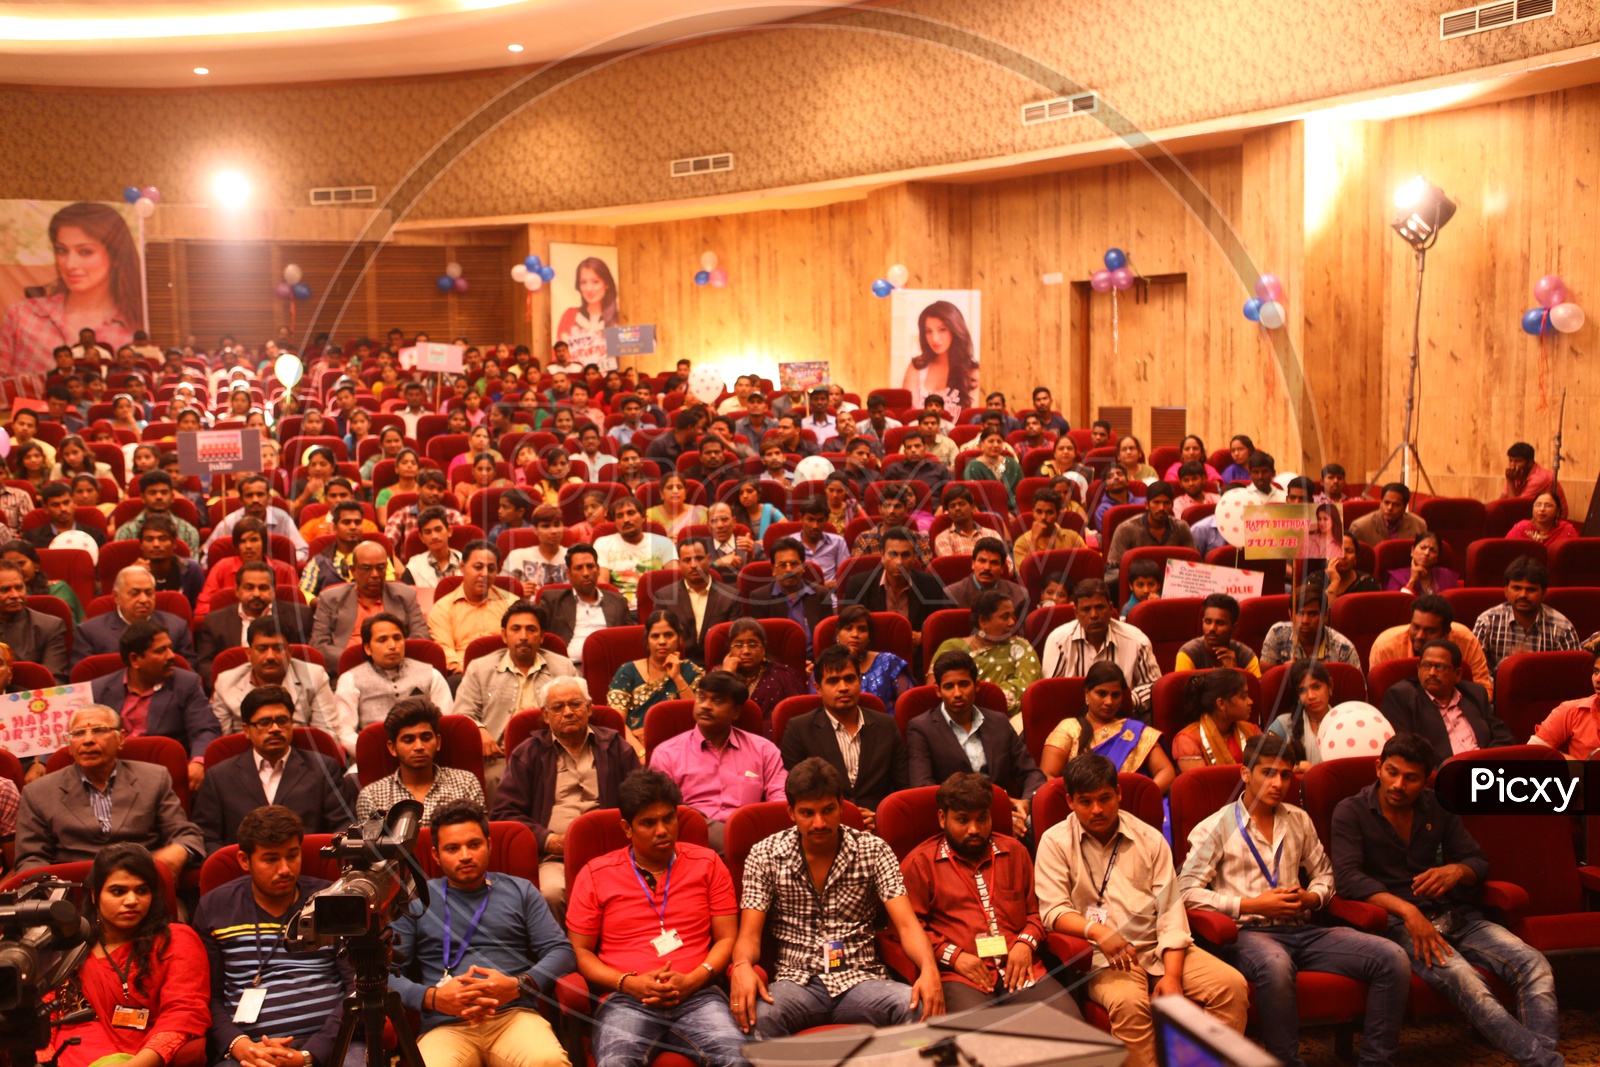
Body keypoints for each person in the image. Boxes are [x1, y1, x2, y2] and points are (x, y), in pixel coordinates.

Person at [1179, 733, 1412, 1067]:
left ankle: (1377, 1062)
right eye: (1268, 773)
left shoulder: (1298, 819)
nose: (1278, 783)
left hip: (1302, 929)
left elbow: (1326, 875)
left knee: (1391, 957)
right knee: (1275, 964)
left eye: (1286, 775)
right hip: (1247, 934)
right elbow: (1185, 892)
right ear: (1245, 774)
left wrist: (1311, 897)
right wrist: (1251, 905)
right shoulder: (1215, 828)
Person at [1331, 733, 1562, 1067]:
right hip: (1397, 925)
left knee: (1534, 964)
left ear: (1426, 781)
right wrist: (1408, 911)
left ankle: (1540, 1060)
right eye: (1392, 772)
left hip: (1453, 915)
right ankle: (1546, 1062)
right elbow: (1349, 879)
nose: (1398, 784)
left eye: (1410, 778)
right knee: (1469, 982)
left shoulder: (1438, 806)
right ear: (1378, 767)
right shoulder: (1350, 811)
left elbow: (1478, 862)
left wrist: (1457, 871)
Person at [1035, 753, 1248, 1067]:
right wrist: (1098, 931)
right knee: (1129, 1004)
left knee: (1231, 986)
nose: (1097, 810)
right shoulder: (1055, 842)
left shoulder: (1150, 839)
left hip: (1157, 946)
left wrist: (1173, 974)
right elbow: (1053, 910)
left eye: (1105, 799)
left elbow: (1171, 914)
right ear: (1070, 801)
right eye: (1085, 802)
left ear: (1119, 794)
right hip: (1101, 955)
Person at [731, 757, 944, 1037]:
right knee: (759, 1018)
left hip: (862, 977)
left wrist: (929, 970)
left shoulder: (873, 849)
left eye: (828, 810)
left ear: (842, 806)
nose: (819, 823)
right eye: (807, 813)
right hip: (796, 980)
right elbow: (749, 935)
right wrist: (742, 966)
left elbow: (906, 924)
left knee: (917, 1007)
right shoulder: (765, 855)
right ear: (791, 813)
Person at [566, 769, 747, 1067]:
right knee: (616, 1063)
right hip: (626, 999)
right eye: (649, 823)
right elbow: (580, 952)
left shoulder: (708, 863)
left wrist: (694, 979)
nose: (662, 830)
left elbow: (728, 938)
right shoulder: (596, 874)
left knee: (738, 1059)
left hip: (698, 994)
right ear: (627, 828)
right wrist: (627, 983)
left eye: (668, 819)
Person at [389, 799, 574, 1067]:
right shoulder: (417, 902)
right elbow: (388, 974)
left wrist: (518, 985)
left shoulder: (521, 891)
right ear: (435, 855)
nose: (465, 855)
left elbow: (562, 951)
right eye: (452, 848)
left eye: (474, 845)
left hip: (513, 1016)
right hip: (445, 1025)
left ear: (489, 845)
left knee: (548, 1061)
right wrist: (433, 998)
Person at [900, 771, 1080, 1016]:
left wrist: (1025, 943)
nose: (974, 829)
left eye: (982, 818)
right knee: (982, 1042)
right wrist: (954, 957)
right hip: (960, 975)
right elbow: (911, 929)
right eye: (962, 820)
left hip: (1020, 969)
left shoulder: (1015, 852)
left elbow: (1038, 914)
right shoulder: (920, 864)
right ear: (943, 819)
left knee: (1071, 1026)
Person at [196, 805, 360, 1067]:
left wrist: (310, 1054)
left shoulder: (330, 901)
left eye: (292, 855)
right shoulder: (214, 907)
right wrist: (238, 1045)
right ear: (243, 860)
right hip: (250, 1050)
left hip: (331, 1043)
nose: (285, 869)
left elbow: (357, 987)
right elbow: (207, 997)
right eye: (270, 859)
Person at [44, 844, 210, 1067]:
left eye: (142, 890)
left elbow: (183, 1013)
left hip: (140, 1058)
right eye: (118, 891)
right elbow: (42, 1018)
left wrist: (136, 1065)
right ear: (95, 895)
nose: (132, 900)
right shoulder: (68, 946)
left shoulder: (175, 940)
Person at [487, 676, 639, 912]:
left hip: (613, 852)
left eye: (575, 704)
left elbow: (641, 800)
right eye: (558, 707)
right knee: (550, 894)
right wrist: (549, 841)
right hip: (555, 855)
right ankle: (562, 949)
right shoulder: (528, 754)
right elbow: (504, 814)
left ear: (589, 709)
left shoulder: (616, 747)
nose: (568, 712)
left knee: (629, 891)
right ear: (546, 716)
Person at [16, 704, 204, 873]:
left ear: (121, 738)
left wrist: (179, 850)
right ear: (70, 745)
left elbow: (185, 835)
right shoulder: (38, 792)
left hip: (143, 886)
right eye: (79, 733)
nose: (88, 740)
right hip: (73, 895)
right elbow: (31, 858)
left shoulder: (154, 778)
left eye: (99, 730)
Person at [193, 679, 352, 852]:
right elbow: (207, 838)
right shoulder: (219, 777)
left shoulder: (323, 769)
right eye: (264, 723)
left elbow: (342, 827)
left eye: (282, 720)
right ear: (246, 730)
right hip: (243, 873)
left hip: (310, 869)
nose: (275, 728)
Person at [649, 668, 787, 852]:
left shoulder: (763, 750)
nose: (705, 705)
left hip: (754, 845)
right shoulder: (666, 753)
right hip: (692, 845)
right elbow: (662, 811)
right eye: (701, 697)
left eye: (717, 701)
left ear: (736, 711)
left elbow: (780, 800)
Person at [0, 202, 144, 375]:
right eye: (61, 250)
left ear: (115, 256)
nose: (70, 264)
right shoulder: (23, 316)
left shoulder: (133, 324)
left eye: (85, 252)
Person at [909, 651, 1043, 834]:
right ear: (938, 691)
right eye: (949, 687)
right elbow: (923, 787)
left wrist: (1026, 802)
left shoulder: (999, 722)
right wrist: (993, 817)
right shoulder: (921, 728)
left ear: (977, 686)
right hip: (958, 821)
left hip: (1009, 814)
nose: (957, 693)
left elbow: (1032, 774)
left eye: (964, 684)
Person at [91, 619, 218, 784]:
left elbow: (205, 729)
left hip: (165, 775)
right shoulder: (99, 689)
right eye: (160, 651)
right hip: (110, 775)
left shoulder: (186, 684)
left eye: (170, 648)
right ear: (135, 659)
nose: (171, 656)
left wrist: (198, 761)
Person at [1040, 661, 1175, 789]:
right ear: (1087, 693)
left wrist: (1140, 796)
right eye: (1102, 694)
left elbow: (1166, 771)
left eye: (1116, 695)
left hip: (1134, 805)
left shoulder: (1135, 731)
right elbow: (1047, 775)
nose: (1109, 702)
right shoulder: (1069, 728)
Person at [334, 614, 454, 752]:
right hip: (373, 757)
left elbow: (446, 723)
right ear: (367, 648)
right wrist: (372, 753)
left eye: (397, 638)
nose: (392, 646)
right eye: (382, 640)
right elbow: (344, 732)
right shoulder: (350, 680)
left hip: (425, 755)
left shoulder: (431, 674)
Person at [1380, 638, 1512, 764]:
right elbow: (1407, 752)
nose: (1432, 672)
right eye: (1427, 665)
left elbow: (1504, 737)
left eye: (1440, 667)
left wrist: (1488, 762)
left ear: (1458, 674)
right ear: (1418, 668)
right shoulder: (1403, 697)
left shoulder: (1474, 694)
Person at [308, 540, 430, 675]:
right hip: (348, 672)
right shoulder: (330, 599)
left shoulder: (405, 595)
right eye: (367, 569)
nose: (375, 575)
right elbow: (319, 646)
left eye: (380, 567)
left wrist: (387, 659)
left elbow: (421, 637)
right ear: (353, 571)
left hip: (398, 670)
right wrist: (357, 662)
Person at [1041, 579, 1161, 713]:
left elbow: (1153, 686)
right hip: (1074, 718)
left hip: (1124, 717)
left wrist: (1124, 701)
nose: (1094, 615)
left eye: (1100, 607)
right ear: (1076, 613)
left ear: (1110, 608)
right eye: (1086, 609)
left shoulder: (1137, 640)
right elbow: (1050, 692)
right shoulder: (1059, 641)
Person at [355, 697, 484, 821]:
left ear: (438, 742)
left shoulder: (466, 784)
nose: (419, 746)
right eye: (408, 740)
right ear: (392, 748)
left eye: (426, 738)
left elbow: (479, 836)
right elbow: (369, 844)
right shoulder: (371, 797)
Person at [211, 615, 337, 737]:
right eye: (262, 649)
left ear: (290, 652)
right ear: (248, 653)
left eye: (278, 648)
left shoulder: (314, 676)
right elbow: (222, 742)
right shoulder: (226, 682)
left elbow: (325, 735)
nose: (270, 656)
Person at [931, 591, 1040, 722]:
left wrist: (983, 699)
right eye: (1005, 617)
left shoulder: (1020, 647)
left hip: (1010, 720)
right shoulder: (951, 646)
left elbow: (1026, 687)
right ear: (982, 621)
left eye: (1013, 616)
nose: (1012, 623)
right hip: (955, 718)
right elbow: (934, 690)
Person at [841, 528, 955, 652]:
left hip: (916, 658)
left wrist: (924, 636)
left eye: (905, 555)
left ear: (914, 557)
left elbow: (942, 627)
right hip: (870, 656)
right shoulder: (858, 585)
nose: (899, 561)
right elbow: (845, 629)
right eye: (893, 554)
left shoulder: (931, 585)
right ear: (883, 555)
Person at [1370, 594, 1494, 696]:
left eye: (1429, 631)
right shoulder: (1386, 646)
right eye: (1415, 627)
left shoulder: (1465, 640)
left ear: (1446, 633)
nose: (1420, 636)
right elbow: (1379, 697)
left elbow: (1484, 690)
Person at [1472, 556, 1580, 671]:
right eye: (1517, 588)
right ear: (1506, 590)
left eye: (1531, 590)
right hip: (1495, 687)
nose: (1523, 595)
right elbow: (1477, 673)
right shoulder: (1487, 621)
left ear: (1543, 593)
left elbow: (1574, 674)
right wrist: (1508, 664)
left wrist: (1533, 666)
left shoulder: (1562, 628)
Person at [428, 540, 516, 676]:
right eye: (478, 567)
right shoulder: (443, 608)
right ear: (462, 567)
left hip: (507, 672)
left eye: (491, 569)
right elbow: (446, 653)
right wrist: (473, 674)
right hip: (463, 675)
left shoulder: (512, 604)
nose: (485, 574)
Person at [536, 543, 629, 668]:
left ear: (598, 569)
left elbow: (631, 641)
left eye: (590, 566)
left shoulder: (618, 601)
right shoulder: (552, 601)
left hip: (610, 668)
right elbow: (537, 635)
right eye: (579, 568)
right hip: (567, 668)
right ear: (568, 573)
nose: (586, 573)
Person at [652, 538, 741, 665]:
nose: (694, 565)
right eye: (687, 560)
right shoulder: (664, 597)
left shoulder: (730, 596)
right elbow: (659, 641)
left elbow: (735, 642)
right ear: (680, 564)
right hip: (677, 667)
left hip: (719, 669)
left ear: (709, 559)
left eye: (699, 558)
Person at [749, 538, 833, 659]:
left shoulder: (821, 595)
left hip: (817, 663)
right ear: (773, 569)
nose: (789, 569)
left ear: (803, 567)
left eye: (794, 564)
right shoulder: (760, 598)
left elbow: (828, 640)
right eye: (782, 565)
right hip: (777, 666)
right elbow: (760, 644)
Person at [1103, 481, 1194, 588]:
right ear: (1147, 505)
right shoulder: (1126, 529)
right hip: (1138, 587)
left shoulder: (1181, 527)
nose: (1161, 508)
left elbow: (1193, 564)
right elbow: (1114, 570)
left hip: (1175, 585)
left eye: (1166, 503)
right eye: (1156, 502)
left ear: (1172, 505)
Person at [203, 473, 309, 564]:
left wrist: (278, 564)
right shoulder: (229, 524)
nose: (255, 500)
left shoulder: (282, 519)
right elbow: (207, 558)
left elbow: (303, 551)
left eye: (260, 494)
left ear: (269, 498)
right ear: (240, 499)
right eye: (249, 495)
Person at [595, 497, 677, 615]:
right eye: (619, 516)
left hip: (657, 607)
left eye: (631, 513)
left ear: (643, 517)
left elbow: (674, 580)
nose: (626, 519)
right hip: (619, 608)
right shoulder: (603, 543)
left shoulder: (663, 543)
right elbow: (603, 582)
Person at [717, 615, 807, 722]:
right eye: (738, 645)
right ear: (729, 649)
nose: (746, 651)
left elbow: (800, 719)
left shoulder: (783, 676)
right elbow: (713, 714)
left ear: (763, 648)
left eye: (753, 645)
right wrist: (727, 674)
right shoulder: (717, 675)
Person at [300, 501, 391, 602]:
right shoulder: (319, 561)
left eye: (357, 522)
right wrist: (324, 603)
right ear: (334, 527)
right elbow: (304, 593)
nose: (353, 527)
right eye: (346, 522)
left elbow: (390, 588)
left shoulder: (379, 556)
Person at [1172, 667, 1261, 771]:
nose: (1250, 701)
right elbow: (1202, 785)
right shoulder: (1188, 740)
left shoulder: (1251, 731)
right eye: (1244, 696)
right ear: (1221, 704)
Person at [832, 604, 913, 714]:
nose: (855, 634)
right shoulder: (825, 668)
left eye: (862, 629)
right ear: (838, 634)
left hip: (885, 727)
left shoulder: (889, 662)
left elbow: (909, 705)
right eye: (848, 628)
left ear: (869, 636)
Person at [1258, 584, 1363, 669]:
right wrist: (1282, 673)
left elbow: (1358, 690)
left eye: (1312, 614)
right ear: (1290, 614)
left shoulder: (1344, 649)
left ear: (1325, 615)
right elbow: (1264, 680)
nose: (1305, 621)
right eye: (1300, 613)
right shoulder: (1277, 634)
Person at [0, 558, 68, 683]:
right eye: (5, 590)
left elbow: (53, 681)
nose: (15, 595)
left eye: (19, 587)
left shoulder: (50, 627)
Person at [1265, 660, 1337, 771]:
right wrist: (1297, 767)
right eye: (1302, 690)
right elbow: (1267, 766)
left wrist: (1313, 771)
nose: (1311, 696)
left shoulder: (1345, 721)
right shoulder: (1283, 724)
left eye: (1316, 687)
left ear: (1330, 685)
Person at [114, 470, 201, 554]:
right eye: (152, 492)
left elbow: (191, 567)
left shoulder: (189, 532)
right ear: (143, 497)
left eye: (164, 492)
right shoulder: (125, 532)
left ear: (172, 497)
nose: (159, 497)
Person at [1175, 593, 1262, 676]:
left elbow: (1256, 690)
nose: (1212, 628)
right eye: (1208, 622)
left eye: (1220, 623)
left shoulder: (1245, 656)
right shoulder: (1188, 654)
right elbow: (1184, 691)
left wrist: (1235, 673)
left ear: (1234, 627)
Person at [942, 535, 1028, 612]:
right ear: (973, 564)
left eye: (994, 563)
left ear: (1002, 568)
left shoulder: (1019, 596)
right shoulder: (952, 595)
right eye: (982, 561)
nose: (987, 567)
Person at [27, 482, 105, 549]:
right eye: (55, 505)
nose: (63, 509)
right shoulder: (32, 538)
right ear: (45, 509)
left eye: (66, 502)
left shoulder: (95, 535)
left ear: (74, 503)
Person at [1349, 482, 1428, 547]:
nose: (1390, 508)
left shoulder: (1419, 524)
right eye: (1386, 503)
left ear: (1405, 507)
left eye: (1396, 504)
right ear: (1381, 502)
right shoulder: (1360, 527)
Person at [793, 495, 847, 589]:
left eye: (820, 520)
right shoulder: (789, 544)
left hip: (831, 598)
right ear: (801, 518)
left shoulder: (838, 542)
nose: (815, 526)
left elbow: (845, 578)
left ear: (827, 520)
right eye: (810, 519)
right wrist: (821, 587)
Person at [1383, 530, 1460, 595]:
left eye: (1433, 550)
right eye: (1423, 548)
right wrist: (1412, 580)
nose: (1427, 553)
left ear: (1437, 558)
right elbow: (1396, 606)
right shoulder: (1397, 577)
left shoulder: (1446, 575)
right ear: (1412, 551)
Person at [962, 430, 1023, 509]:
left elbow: (1022, 492)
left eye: (999, 441)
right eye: (991, 441)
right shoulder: (973, 467)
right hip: (985, 512)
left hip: (1014, 510)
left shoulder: (1012, 464)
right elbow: (971, 498)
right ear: (982, 444)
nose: (996, 445)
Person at [1502, 441, 1568, 513]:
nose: (1512, 465)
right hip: (1528, 513)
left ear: (1530, 463)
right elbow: (1502, 500)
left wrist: (1510, 481)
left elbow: (1515, 508)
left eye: (1518, 461)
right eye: (1510, 460)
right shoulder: (1515, 473)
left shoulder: (1540, 478)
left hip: (1552, 518)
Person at [880, 430, 951, 498]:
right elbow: (888, 497)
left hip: (935, 508)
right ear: (904, 451)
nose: (913, 450)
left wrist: (942, 508)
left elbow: (950, 494)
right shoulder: (894, 470)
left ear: (925, 448)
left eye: (917, 446)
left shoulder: (940, 470)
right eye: (909, 447)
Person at [1508, 489, 1579, 546]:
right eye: (1538, 505)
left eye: (1548, 505)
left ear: (1557, 511)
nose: (1542, 509)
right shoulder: (1521, 528)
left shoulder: (1565, 530)